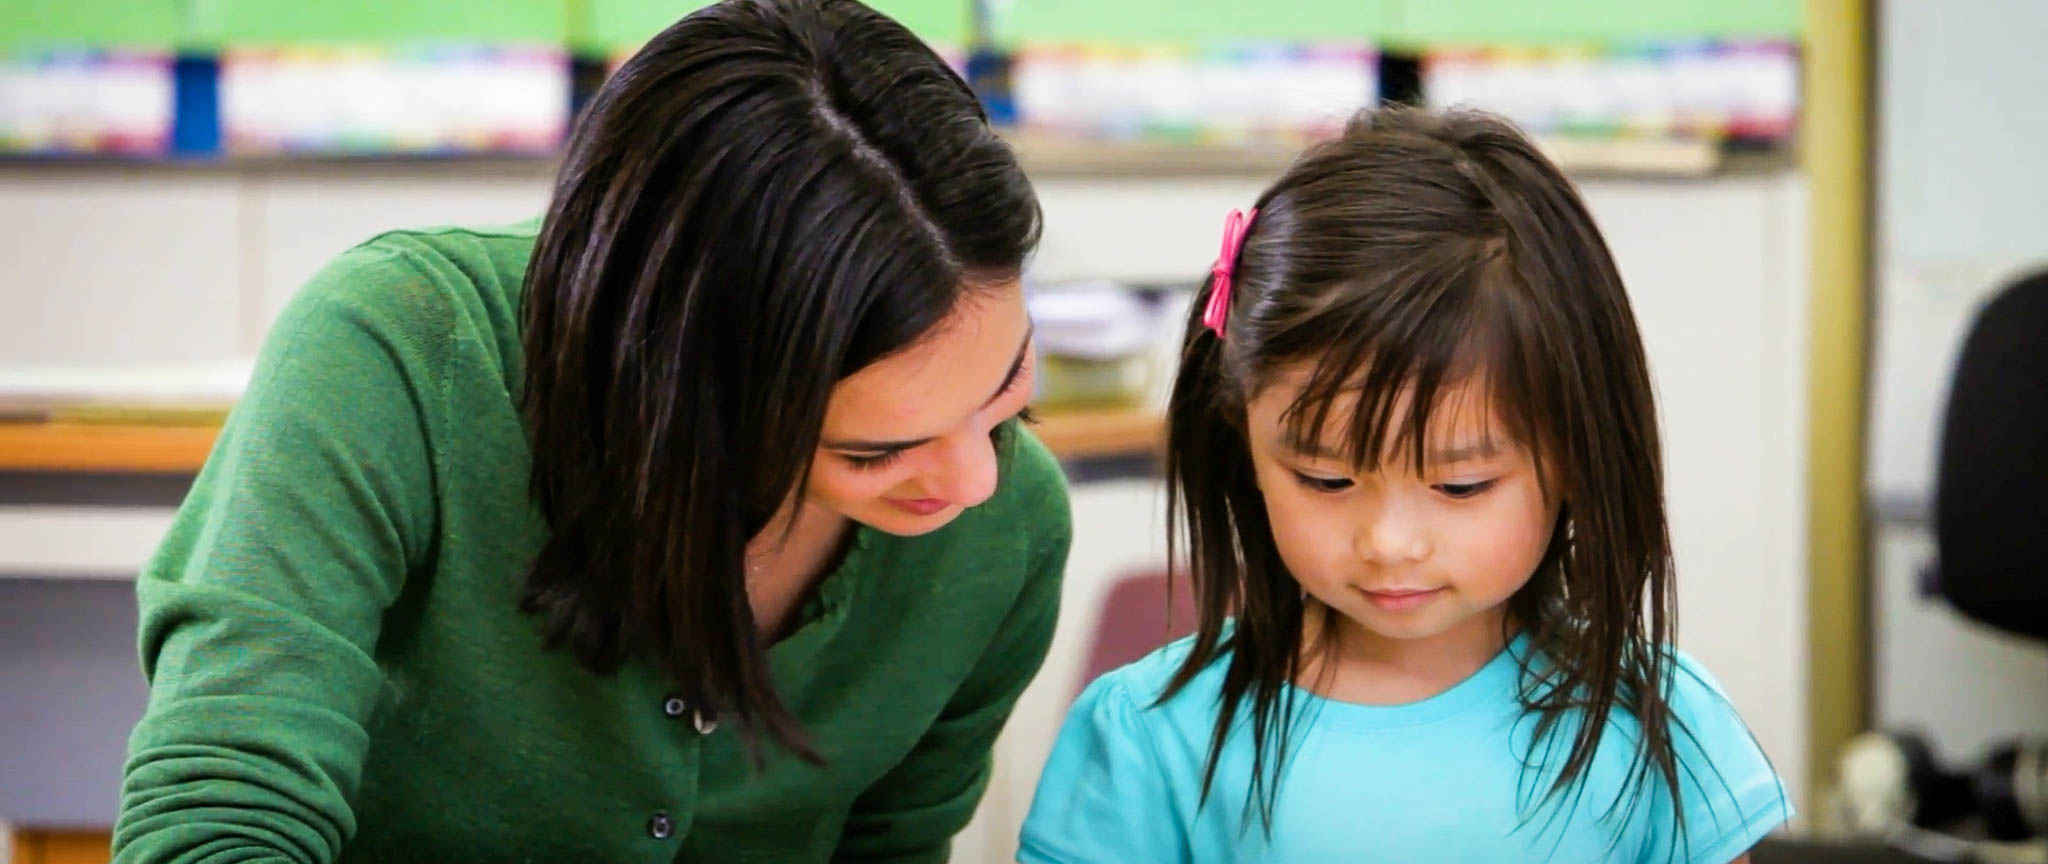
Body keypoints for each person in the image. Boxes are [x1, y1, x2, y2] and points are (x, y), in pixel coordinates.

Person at [114, 1, 1070, 861]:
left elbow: (893, 848)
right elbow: (220, 817)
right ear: (678, 385)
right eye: (872, 452)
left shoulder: (1011, 524)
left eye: (1006, 390)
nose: (973, 480)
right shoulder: (399, 348)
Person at [1019, 106, 1789, 863]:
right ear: (1241, 436)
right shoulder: (1151, 741)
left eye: (1461, 486)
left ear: (1574, 453)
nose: (1389, 542)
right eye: (1325, 478)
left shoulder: (1655, 726)